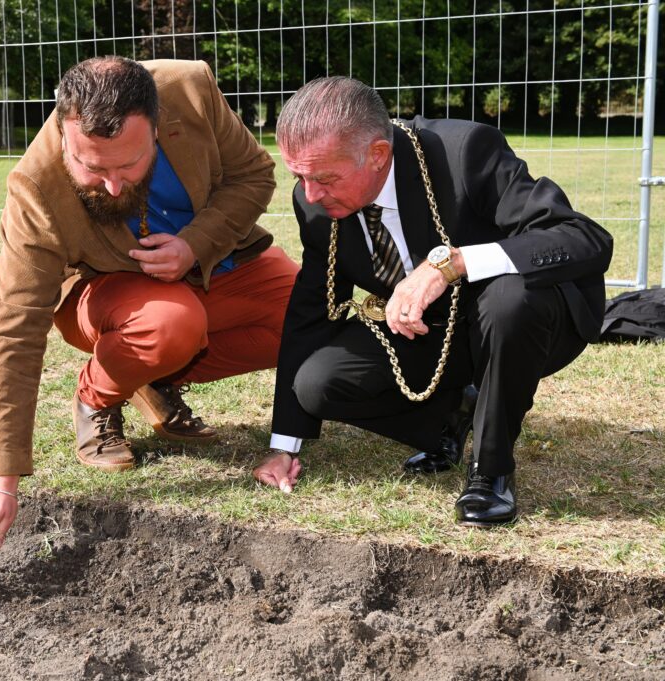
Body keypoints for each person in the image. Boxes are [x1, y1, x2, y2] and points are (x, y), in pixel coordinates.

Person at [0, 56, 299, 564]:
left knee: (305, 321)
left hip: (211, 264)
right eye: (93, 168)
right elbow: (14, 325)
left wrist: (194, 244)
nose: (114, 185)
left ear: (159, 128)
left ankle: (148, 373)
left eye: (129, 164)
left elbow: (253, 174)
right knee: (169, 324)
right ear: (64, 135)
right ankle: (98, 397)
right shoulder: (34, 187)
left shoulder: (190, 87)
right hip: (105, 294)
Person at [254, 76, 612, 526]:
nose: (309, 194)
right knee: (317, 381)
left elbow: (585, 238)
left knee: (507, 297)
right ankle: (449, 418)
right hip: (433, 334)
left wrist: (451, 264)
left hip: (521, 321)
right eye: (298, 176)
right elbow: (312, 311)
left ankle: (491, 469)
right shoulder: (314, 204)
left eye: (324, 177)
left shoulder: (464, 152)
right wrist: (283, 447)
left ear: (378, 154)